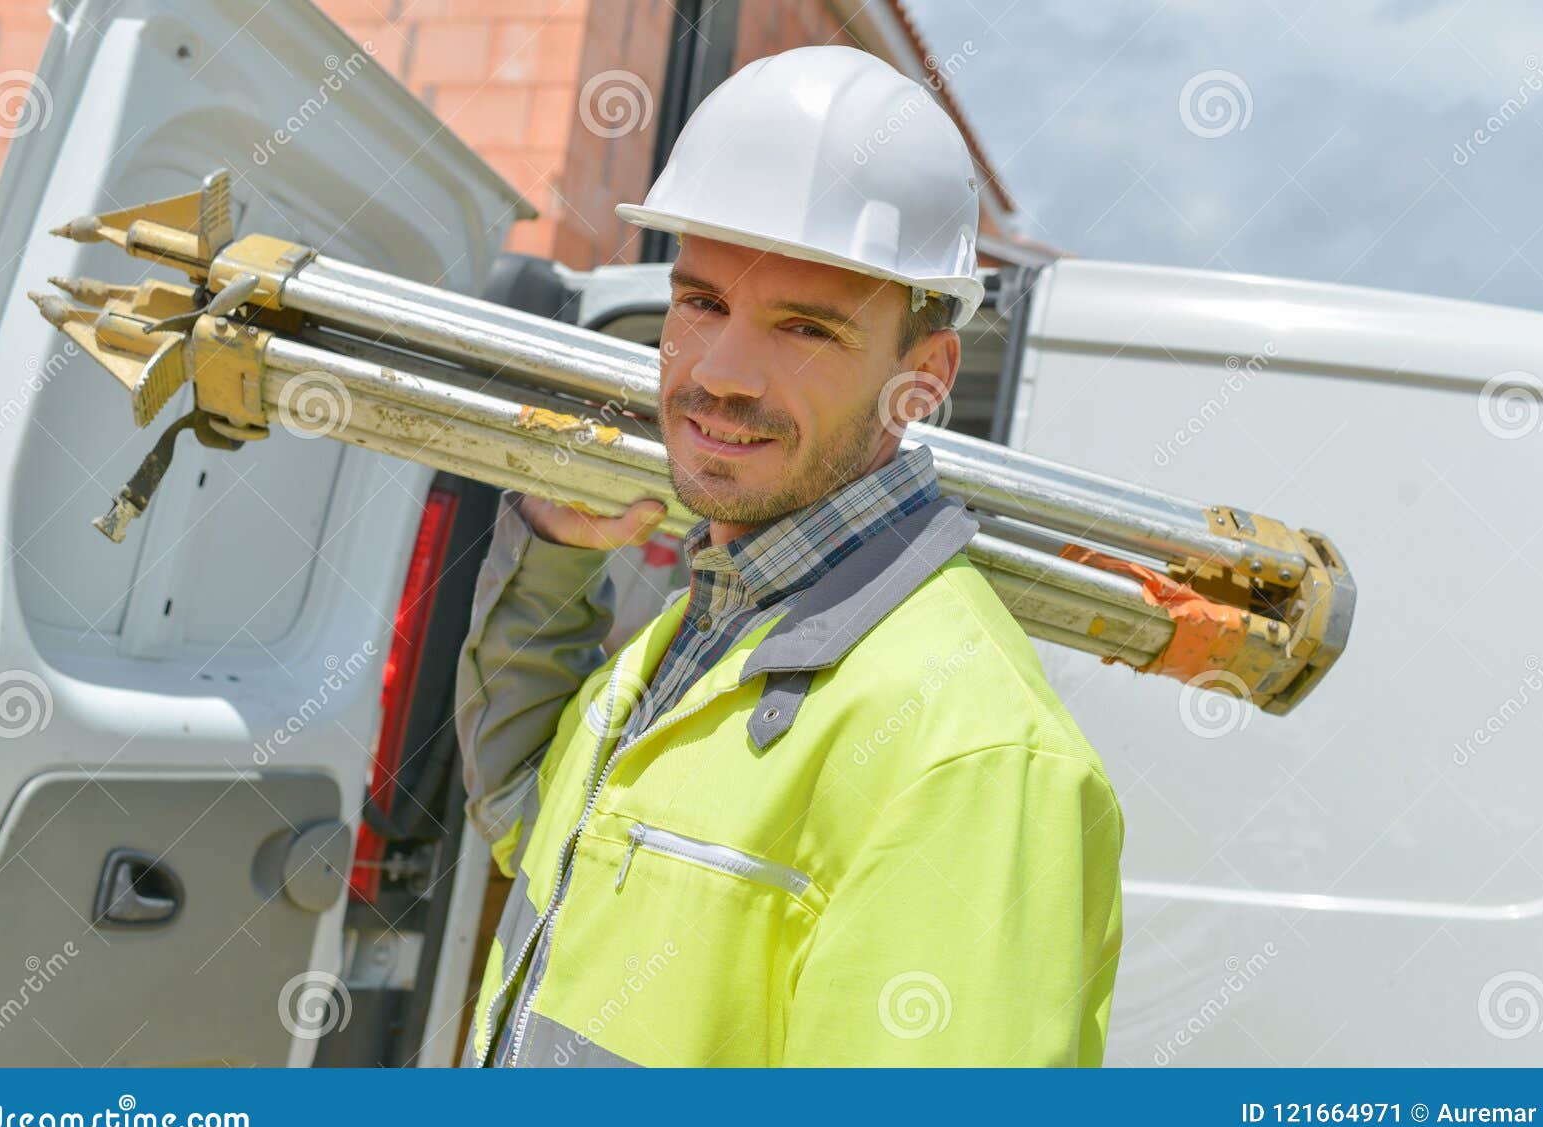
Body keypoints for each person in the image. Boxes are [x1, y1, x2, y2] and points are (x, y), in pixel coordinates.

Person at [455, 44, 1123, 1068]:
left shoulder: (972, 753)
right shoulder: (710, 624)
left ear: (921, 376)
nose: (718, 375)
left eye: (803, 328)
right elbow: (536, 828)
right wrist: (548, 558)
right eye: (703, 302)